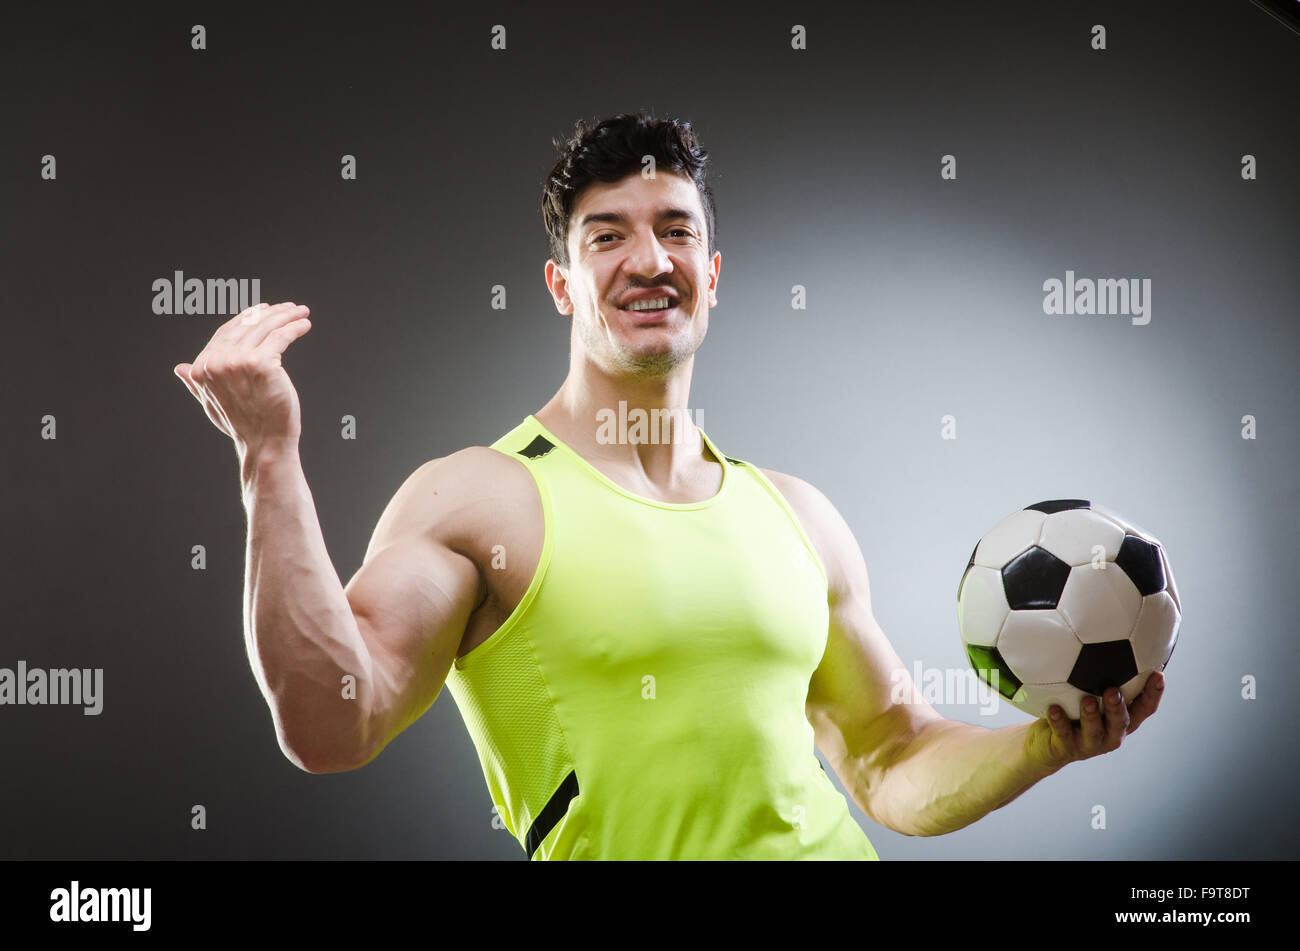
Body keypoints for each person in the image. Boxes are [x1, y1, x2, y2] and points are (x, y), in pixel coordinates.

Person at [173, 111, 1164, 860]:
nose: (649, 260)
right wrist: (268, 456)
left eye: (676, 231)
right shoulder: (477, 500)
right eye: (606, 236)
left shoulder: (796, 513)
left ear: (714, 271)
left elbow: (891, 760)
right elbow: (332, 724)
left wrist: (1040, 749)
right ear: (562, 285)